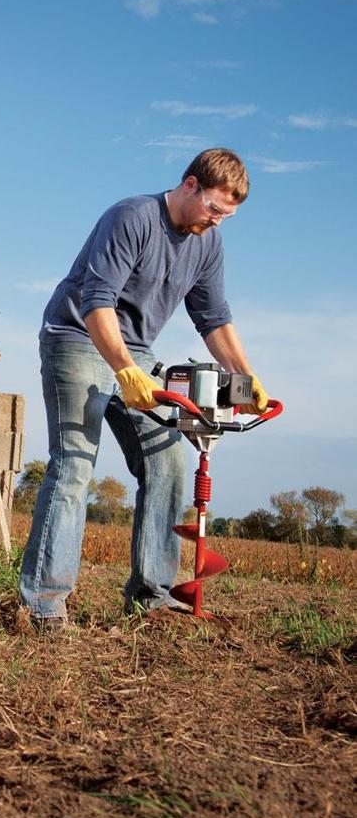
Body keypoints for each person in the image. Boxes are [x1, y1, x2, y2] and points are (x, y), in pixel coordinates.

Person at [20, 148, 268, 631]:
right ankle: (44, 605)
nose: (217, 221)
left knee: (168, 462)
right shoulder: (132, 217)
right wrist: (125, 371)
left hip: (136, 352)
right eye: (213, 208)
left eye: (227, 216)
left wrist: (245, 375)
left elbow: (213, 318)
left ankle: (151, 598)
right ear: (190, 184)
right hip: (77, 336)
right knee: (74, 464)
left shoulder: (208, 243)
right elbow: (97, 301)